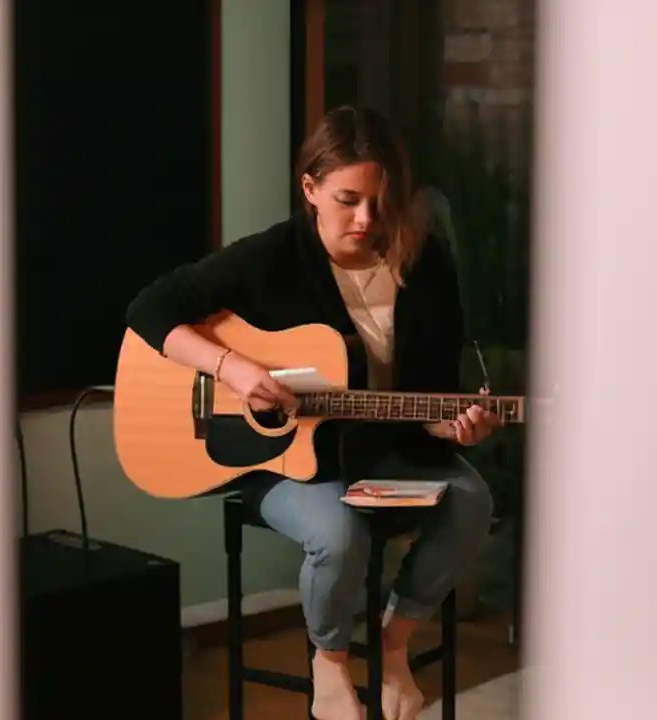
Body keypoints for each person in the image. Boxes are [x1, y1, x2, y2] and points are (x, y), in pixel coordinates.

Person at [125, 105, 499, 720]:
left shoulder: (425, 263)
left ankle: (393, 643)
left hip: (383, 448)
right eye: (348, 199)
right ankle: (329, 662)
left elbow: (431, 392)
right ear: (311, 189)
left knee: (472, 501)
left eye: (381, 200)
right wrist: (233, 369)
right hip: (281, 459)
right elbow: (149, 309)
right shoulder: (272, 256)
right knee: (337, 531)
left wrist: (455, 423)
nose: (367, 219)